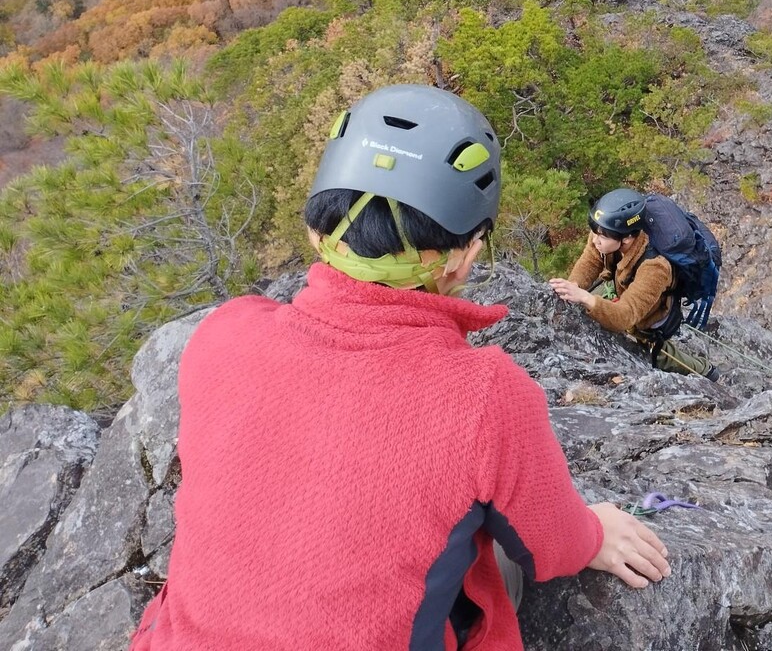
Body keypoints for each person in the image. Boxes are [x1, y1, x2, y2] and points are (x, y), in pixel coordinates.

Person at [131, 85, 669, 651]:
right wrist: (593, 532)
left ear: (316, 232)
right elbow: (548, 546)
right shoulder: (485, 395)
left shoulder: (224, 333)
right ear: (464, 257)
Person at [549, 188, 713, 378]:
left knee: (659, 355)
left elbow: (626, 315)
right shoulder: (607, 232)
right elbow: (591, 260)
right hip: (623, 291)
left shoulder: (655, 267)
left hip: (650, 316)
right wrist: (573, 286)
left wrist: (586, 298)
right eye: (594, 232)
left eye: (602, 236)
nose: (595, 240)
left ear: (627, 237)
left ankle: (705, 370)